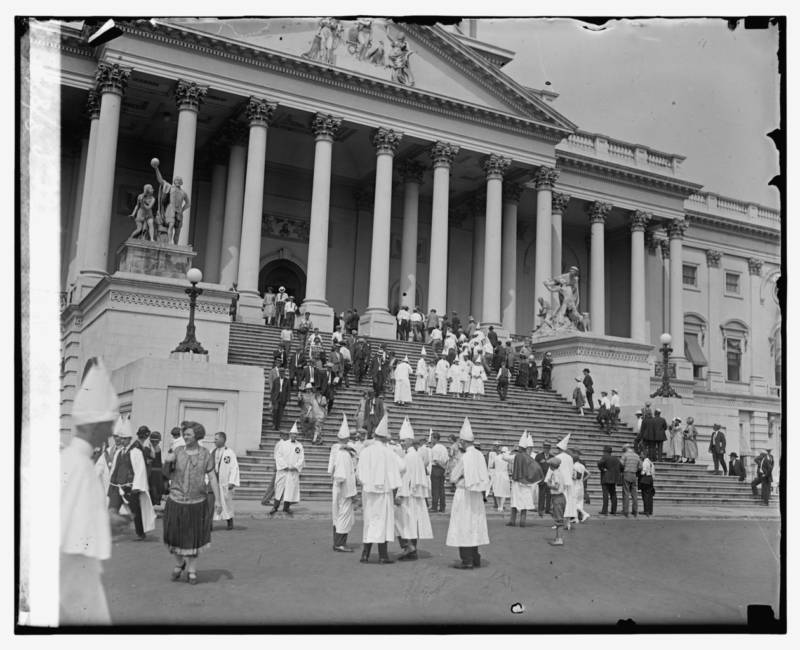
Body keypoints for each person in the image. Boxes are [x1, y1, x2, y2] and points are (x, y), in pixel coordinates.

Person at [60, 359, 125, 624]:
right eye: (109, 423)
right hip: (72, 579)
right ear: (96, 424)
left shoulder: (71, 461)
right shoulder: (78, 466)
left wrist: (105, 521)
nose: (111, 431)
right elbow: (70, 534)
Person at [162, 421, 222, 585]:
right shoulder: (178, 451)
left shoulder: (205, 454)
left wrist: (217, 500)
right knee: (173, 535)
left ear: (197, 436)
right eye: (184, 434)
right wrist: (168, 461)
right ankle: (179, 562)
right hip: (176, 500)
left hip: (197, 502)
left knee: (193, 538)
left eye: (188, 434)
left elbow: (212, 478)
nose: (185, 437)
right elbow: (165, 475)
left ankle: (192, 569)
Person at [357, 415, 403, 563]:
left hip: (369, 492)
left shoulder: (365, 451)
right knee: (383, 521)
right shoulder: (389, 452)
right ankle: (383, 556)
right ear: (385, 439)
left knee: (369, 521)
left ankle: (365, 554)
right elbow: (403, 467)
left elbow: (359, 473)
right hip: (383, 492)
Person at [446, 418, 490, 569]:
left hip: (464, 494)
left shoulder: (465, 457)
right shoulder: (479, 455)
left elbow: (453, 477)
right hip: (476, 495)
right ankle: (475, 556)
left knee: (463, 524)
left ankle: (467, 560)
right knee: (473, 524)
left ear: (463, 442)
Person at [107, 417, 156, 541]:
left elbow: (140, 470)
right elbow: (114, 469)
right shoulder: (118, 452)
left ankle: (140, 532)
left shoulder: (136, 452)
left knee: (135, 511)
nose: (121, 441)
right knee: (112, 509)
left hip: (130, 487)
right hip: (117, 486)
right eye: (121, 438)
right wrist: (111, 484)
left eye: (124, 438)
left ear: (129, 439)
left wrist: (137, 487)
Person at [394, 418, 434, 560]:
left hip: (408, 495)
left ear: (410, 441)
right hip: (415, 495)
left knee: (403, 522)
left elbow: (406, 478)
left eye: (404, 440)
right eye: (401, 440)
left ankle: (408, 548)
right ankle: (412, 549)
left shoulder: (409, 457)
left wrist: (399, 494)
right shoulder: (414, 455)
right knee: (413, 523)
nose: (402, 443)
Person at [330, 415, 358, 552]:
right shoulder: (342, 454)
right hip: (344, 492)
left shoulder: (343, 453)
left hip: (344, 490)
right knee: (343, 516)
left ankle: (338, 542)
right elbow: (340, 476)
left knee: (341, 516)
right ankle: (339, 543)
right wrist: (346, 493)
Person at [505, 432, 541, 527]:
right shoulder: (530, 458)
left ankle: (512, 521)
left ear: (520, 448)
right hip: (526, 483)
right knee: (524, 502)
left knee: (514, 501)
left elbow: (504, 457)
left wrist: (511, 450)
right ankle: (522, 522)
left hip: (517, 482)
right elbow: (537, 468)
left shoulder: (516, 456)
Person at [153, 159, 190, 245]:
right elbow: (161, 180)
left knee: (178, 230)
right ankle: (170, 242)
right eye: (176, 180)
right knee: (171, 225)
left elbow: (188, 203)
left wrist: (182, 210)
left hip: (179, 212)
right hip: (171, 209)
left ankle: (176, 244)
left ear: (181, 182)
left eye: (179, 180)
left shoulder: (183, 193)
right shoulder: (170, 187)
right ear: (174, 181)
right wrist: (156, 168)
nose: (178, 181)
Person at [271, 424, 305, 514]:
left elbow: (302, 458)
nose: (294, 436)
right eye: (293, 434)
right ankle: (275, 507)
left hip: (293, 471)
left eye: (296, 434)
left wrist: (296, 466)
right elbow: (278, 456)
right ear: (290, 434)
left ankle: (286, 507)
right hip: (283, 470)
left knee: (290, 489)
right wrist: (284, 466)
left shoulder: (299, 446)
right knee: (279, 488)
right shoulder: (283, 444)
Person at [212, 432, 240, 530]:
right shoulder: (212, 451)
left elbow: (234, 468)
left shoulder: (230, 453)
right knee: (213, 503)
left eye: (216, 439)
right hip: (214, 483)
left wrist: (232, 481)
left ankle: (229, 521)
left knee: (226, 503)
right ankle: (209, 524)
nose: (214, 441)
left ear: (222, 440)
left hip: (225, 483)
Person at [553, 434, 577, 527]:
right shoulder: (570, 458)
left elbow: (555, 469)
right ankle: (567, 523)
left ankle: (558, 522)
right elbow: (571, 469)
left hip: (560, 481)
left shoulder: (558, 457)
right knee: (568, 502)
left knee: (559, 502)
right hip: (569, 481)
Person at [545, 457, 567, 546]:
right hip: (560, 497)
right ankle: (558, 537)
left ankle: (559, 539)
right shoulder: (560, 473)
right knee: (558, 517)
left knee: (558, 519)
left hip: (557, 497)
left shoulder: (555, 474)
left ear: (552, 466)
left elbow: (556, 486)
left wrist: (549, 484)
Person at [597, 445, 622, 516]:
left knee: (605, 494)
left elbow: (599, 463)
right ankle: (614, 510)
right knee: (613, 494)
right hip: (613, 478)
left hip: (605, 477)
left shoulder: (605, 457)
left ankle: (605, 510)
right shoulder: (616, 459)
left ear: (605, 451)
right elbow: (622, 466)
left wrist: (602, 469)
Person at [620, 443, 642, 518]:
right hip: (634, 475)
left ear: (625, 449)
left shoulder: (625, 455)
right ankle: (635, 511)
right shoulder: (636, 456)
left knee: (626, 493)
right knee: (634, 494)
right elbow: (640, 467)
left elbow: (621, 464)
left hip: (626, 474)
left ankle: (626, 511)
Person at [429, 431, 449, 513]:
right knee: (441, 489)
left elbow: (436, 460)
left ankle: (434, 506)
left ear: (435, 439)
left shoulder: (435, 448)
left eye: (432, 438)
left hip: (437, 468)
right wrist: (445, 468)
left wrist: (443, 467)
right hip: (442, 469)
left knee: (435, 489)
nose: (431, 440)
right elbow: (447, 460)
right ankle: (442, 506)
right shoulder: (443, 447)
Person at [489, 445, 511, 512]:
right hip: (504, 474)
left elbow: (492, 465)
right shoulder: (507, 458)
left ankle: (499, 506)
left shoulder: (496, 457)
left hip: (497, 475)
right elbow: (509, 468)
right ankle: (501, 506)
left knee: (497, 490)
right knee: (503, 491)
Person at [534, 442, 553, 516]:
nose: (546, 449)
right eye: (545, 448)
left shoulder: (552, 456)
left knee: (549, 494)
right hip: (541, 478)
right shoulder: (539, 456)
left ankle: (547, 509)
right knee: (541, 494)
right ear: (543, 448)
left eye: (548, 448)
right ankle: (540, 509)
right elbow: (535, 467)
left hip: (549, 478)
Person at [147, 430, 164, 507]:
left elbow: (151, 459)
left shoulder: (153, 449)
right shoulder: (157, 448)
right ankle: (156, 501)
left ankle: (154, 501)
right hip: (158, 472)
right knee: (157, 487)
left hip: (153, 471)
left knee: (153, 487)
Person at [572, 450, 590, 522]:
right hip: (581, 485)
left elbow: (574, 476)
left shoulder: (573, 466)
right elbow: (589, 474)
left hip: (575, 485)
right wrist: (583, 480)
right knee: (579, 502)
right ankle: (576, 518)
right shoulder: (582, 465)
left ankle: (584, 513)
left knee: (574, 502)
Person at [271, 367, 290, 431]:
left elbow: (288, 391)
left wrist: (287, 399)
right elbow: (273, 390)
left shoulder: (287, 381)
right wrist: (272, 399)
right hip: (276, 397)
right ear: (279, 373)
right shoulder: (275, 380)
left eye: (283, 372)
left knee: (280, 413)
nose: (282, 373)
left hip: (283, 398)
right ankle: (274, 424)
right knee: (275, 411)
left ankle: (278, 426)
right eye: (280, 372)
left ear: (284, 373)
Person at [639, 450, 656, 516]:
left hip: (645, 479)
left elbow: (643, 471)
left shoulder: (645, 462)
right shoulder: (651, 462)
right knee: (650, 496)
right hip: (650, 479)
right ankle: (650, 510)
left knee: (645, 495)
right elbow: (653, 472)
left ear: (644, 455)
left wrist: (641, 473)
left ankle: (646, 510)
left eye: (641, 454)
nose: (640, 456)